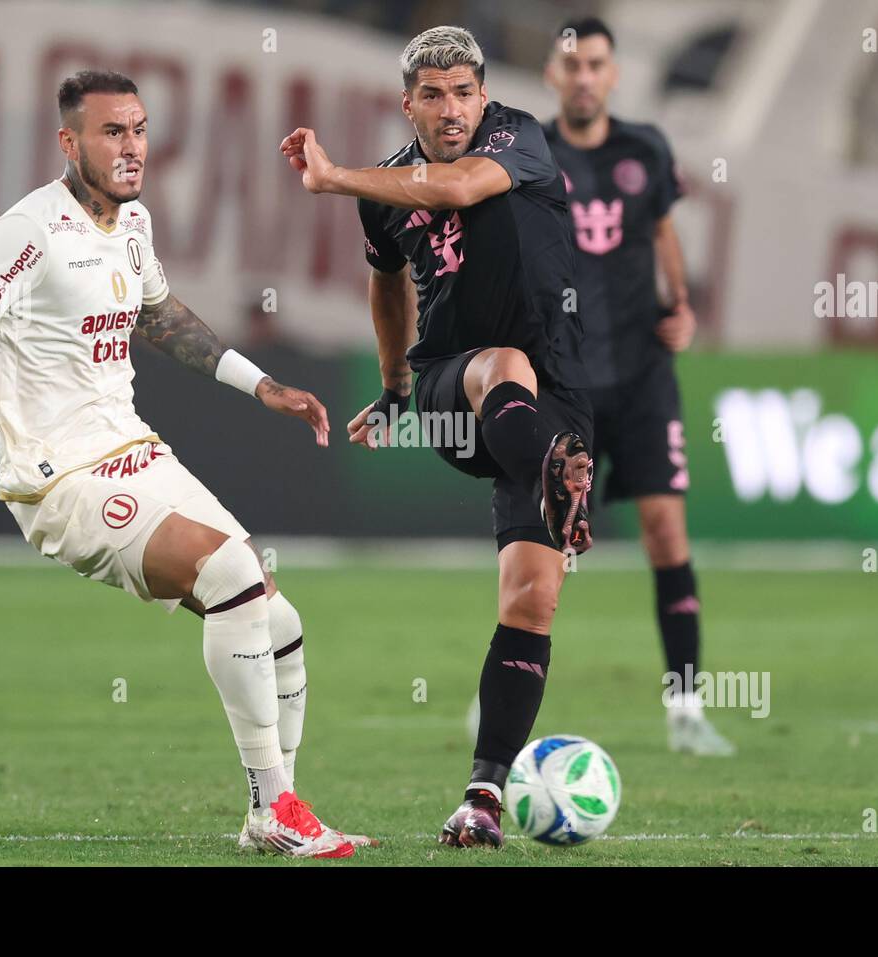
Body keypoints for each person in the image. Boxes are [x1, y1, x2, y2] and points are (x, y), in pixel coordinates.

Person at [0, 69, 373, 857]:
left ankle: (276, 810)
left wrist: (261, 384)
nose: (131, 148)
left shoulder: (132, 223)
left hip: (133, 448)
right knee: (230, 574)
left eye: (139, 129)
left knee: (279, 620)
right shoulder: (30, 229)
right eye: (111, 132)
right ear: (70, 142)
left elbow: (160, 315)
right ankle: (274, 808)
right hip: (58, 476)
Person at [281, 25, 595, 847]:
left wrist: (333, 175)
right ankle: (556, 480)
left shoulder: (517, 137)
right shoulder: (382, 187)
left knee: (533, 597)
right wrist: (390, 386)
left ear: (483, 95)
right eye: (434, 94)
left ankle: (481, 797)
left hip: (554, 398)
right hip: (456, 388)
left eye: (464, 91)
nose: (451, 107)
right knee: (501, 363)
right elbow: (387, 284)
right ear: (407, 102)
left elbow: (458, 190)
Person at [544, 17, 734, 755]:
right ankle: (505, 694)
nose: (584, 76)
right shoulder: (532, 154)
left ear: (613, 72)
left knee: (665, 530)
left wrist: (681, 305)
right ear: (555, 75)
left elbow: (660, 230)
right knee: (548, 547)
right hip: (567, 379)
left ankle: (686, 710)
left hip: (642, 371)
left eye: (596, 63)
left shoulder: (645, 147)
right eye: (571, 65)